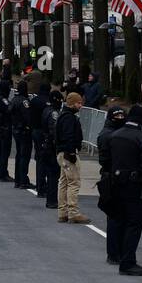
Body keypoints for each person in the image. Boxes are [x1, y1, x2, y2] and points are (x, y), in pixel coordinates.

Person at [105, 104, 142, 275]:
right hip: (135, 187)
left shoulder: (114, 136)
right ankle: (128, 261)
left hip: (115, 184)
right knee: (134, 224)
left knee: (117, 220)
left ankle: (115, 254)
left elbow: (105, 160)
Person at [97, 105, 127, 265]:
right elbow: (105, 159)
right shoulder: (107, 135)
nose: (120, 119)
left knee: (119, 216)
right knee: (114, 216)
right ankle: (114, 253)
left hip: (115, 176)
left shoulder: (114, 133)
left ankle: (118, 251)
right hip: (110, 177)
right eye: (118, 116)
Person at [54, 91, 88, 223]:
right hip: (68, 153)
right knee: (74, 182)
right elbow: (69, 136)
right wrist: (72, 153)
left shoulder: (63, 116)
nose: (81, 106)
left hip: (62, 153)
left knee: (63, 182)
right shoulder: (69, 118)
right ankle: (73, 212)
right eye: (79, 103)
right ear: (73, 103)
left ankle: (62, 212)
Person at [11, 80, 34, 189]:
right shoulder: (25, 101)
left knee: (19, 155)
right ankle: (23, 180)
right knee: (24, 156)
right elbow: (28, 117)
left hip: (16, 129)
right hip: (24, 131)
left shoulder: (14, 99)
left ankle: (18, 179)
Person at [30, 83, 52, 194]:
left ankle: (40, 184)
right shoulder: (48, 102)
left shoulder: (34, 100)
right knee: (46, 160)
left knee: (39, 158)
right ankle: (44, 186)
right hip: (44, 132)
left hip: (35, 130)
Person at [0, 80, 13, 181]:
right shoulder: (1, 99)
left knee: (4, 152)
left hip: (2, 127)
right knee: (4, 152)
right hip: (4, 128)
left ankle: (3, 172)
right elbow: (9, 109)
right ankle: (3, 173)